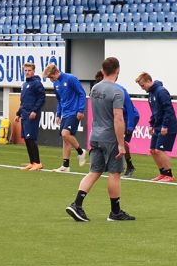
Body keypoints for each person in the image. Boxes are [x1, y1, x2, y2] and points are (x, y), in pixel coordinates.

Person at [65, 57, 134, 222]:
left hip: (95, 135)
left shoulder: (95, 88)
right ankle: (115, 212)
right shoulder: (117, 91)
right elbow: (118, 118)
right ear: (118, 71)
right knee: (114, 173)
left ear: (103, 71)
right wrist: (121, 144)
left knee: (94, 171)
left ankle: (77, 204)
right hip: (110, 137)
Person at [44, 63, 86, 170]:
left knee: (65, 133)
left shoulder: (71, 78)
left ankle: (81, 152)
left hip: (74, 112)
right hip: (65, 113)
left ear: (56, 72)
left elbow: (81, 93)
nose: (51, 79)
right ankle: (65, 166)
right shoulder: (56, 84)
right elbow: (59, 100)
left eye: (51, 77)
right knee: (65, 138)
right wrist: (58, 114)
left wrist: (80, 110)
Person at [97, 70, 139, 178]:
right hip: (118, 117)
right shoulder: (101, 90)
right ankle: (110, 164)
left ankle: (129, 166)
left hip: (128, 117)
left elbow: (130, 110)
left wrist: (129, 125)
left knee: (121, 141)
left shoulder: (120, 90)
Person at [137, 73, 177, 181]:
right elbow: (155, 112)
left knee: (159, 150)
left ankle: (169, 175)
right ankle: (162, 173)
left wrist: (165, 125)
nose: (142, 88)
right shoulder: (151, 94)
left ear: (149, 81)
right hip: (158, 125)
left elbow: (168, 110)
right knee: (152, 150)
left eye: (142, 85)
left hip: (167, 126)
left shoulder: (161, 91)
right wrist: (151, 124)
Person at [17, 62, 45, 170]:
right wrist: (18, 114)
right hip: (24, 115)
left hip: (32, 115)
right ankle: (32, 162)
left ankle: (38, 162)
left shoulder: (36, 83)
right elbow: (23, 101)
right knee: (27, 139)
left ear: (33, 71)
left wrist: (34, 111)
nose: (27, 72)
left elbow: (41, 98)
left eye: (29, 70)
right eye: (25, 70)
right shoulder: (24, 84)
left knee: (31, 138)